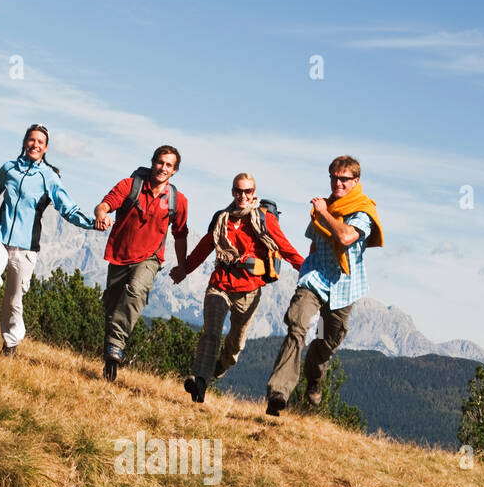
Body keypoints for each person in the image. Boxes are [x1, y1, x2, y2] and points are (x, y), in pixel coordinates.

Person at [0, 124, 94, 358]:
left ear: (46, 148)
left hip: (26, 246)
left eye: (40, 142)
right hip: (0, 235)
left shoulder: (49, 177)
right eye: (32, 140)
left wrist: (91, 223)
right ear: (24, 142)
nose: (35, 144)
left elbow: (66, 206)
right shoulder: (9, 168)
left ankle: (10, 343)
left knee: (14, 298)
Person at [169, 173, 303, 404]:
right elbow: (204, 248)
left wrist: (308, 270)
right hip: (219, 284)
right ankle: (199, 380)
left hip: (249, 290)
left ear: (254, 193)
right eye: (238, 191)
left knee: (236, 345)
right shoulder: (222, 219)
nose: (242, 196)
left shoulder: (264, 220)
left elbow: (285, 248)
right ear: (232, 192)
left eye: (247, 191)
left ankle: (219, 367)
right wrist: (184, 269)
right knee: (211, 331)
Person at [265, 156, 383, 416]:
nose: (337, 183)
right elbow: (315, 242)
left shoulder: (363, 211)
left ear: (356, 181)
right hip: (316, 276)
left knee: (325, 341)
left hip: (344, 284)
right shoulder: (324, 207)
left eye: (344, 179)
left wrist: (324, 213)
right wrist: (306, 265)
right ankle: (279, 393)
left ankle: (314, 381)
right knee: (297, 326)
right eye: (334, 177)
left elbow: (344, 236)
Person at [93, 146, 188, 381]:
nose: (163, 168)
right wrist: (101, 214)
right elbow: (104, 205)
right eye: (160, 162)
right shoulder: (130, 185)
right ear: (153, 162)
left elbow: (180, 235)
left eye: (168, 165)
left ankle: (115, 346)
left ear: (174, 171)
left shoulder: (178, 201)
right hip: (119, 254)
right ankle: (110, 360)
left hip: (150, 258)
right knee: (112, 307)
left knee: (136, 291)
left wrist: (183, 267)